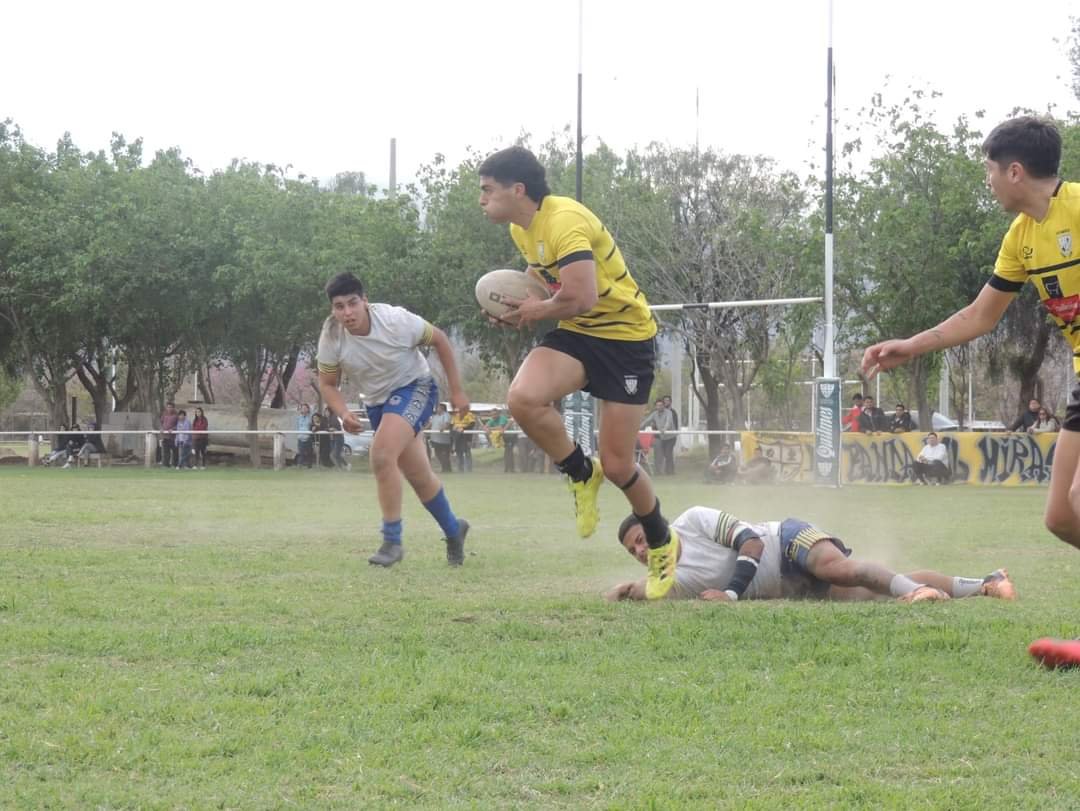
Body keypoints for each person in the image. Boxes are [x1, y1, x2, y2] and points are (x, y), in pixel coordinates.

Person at [861, 116, 1080, 554]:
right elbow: (980, 316)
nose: (988, 180)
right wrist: (910, 345)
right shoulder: (1020, 237)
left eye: (989, 170)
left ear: (1014, 171)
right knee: (1061, 516)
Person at [479, 146, 678, 598]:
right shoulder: (521, 228)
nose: (482, 199)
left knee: (619, 463)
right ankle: (577, 471)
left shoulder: (564, 221)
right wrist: (515, 309)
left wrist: (537, 311)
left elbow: (582, 296)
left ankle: (663, 543)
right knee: (522, 399)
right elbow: (542, 279)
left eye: (487, 190)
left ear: (518, 189)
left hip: (625, 340)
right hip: (580, 333)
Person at [317, 271, 470, 567]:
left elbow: (439, 339)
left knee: (382, 454)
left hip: (416, 387)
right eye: (339, 306)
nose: (347, 313)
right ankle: (454, 530)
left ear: (365, 301)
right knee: (419, 476)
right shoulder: (331, 336)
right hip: (378, 404)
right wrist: (343, 412)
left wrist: (458, 391)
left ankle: (392, 541)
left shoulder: (396, 320)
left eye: (352, 303)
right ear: (332, 309)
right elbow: (327, 384)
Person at [607, 506, 1017, 604]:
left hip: (785, 539)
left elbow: (750, 542)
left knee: (841, 569)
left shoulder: (693, 521)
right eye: (633, 550)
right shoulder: (668, 581)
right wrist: (615, 595)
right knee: (873, 591)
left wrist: (730, 594)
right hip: (789, 586)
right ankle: (986, 583)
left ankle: (916, 594)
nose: (641, 551)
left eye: (642, 539)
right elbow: (631, 591)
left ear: (657, 524)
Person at [640, 397, 677, 475]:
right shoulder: (654, 414)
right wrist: (639, 428)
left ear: (663, 406)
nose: (659, 407)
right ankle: (660, 471)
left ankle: (670, 472)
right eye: (658, 405)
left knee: (668, 454)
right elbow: (647, 421)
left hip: (670, 437)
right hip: (662, 437)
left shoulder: (669, 412)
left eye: (661, 405)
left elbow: (669, 422)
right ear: (655, 407)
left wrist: (664, 428)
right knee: (661, 454)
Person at [428, 403, 453, 473]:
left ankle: (447, 468)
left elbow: (447, 423)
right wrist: (423, 429)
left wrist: (443, 428)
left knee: (445, 454)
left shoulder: (446, 415)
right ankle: (444, 467)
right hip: (435, 438)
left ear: (442, 408)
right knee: (437, 453)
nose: (436, 409)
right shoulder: (434, 416)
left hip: (444, 439)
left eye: (438, 408)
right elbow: (430, 424)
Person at [450, 405, 476, 473]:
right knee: (459, 452)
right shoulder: (455, 415)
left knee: (467, 452)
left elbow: (472, 424)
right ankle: (460, 469)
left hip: (466, 435)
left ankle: (469, 469)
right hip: (457, 435)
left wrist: (463, 429)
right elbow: (451, 424)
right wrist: (454, 428)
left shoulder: (469, 414)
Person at [159, 402, 178, 468]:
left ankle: (174, 464)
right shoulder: (164, 414)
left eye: (170, 407)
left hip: (173, 437)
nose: (169, 408)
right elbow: (161, 422)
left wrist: (173, 429)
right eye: (168, 407)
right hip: (165, 436)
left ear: (173, 408)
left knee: (175, 451)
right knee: (165, 451)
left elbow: (178, 425)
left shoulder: (176, 415)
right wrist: (161, 428)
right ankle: (166, 464)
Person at [295, 404, 313, 469]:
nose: (304, 409)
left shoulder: (311, 417)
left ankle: (309, 467)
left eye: (305, 408)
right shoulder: (298, 418)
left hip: (308, 437)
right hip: (300, 437)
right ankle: (299, 466)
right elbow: (297, 427)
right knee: (301, 453)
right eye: (302, 408)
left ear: (308, 409)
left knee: (309, 453)